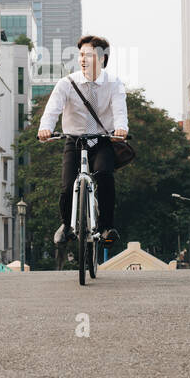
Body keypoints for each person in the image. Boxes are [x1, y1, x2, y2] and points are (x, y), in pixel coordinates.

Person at [37, 34, 129, 247]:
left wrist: (122, 127)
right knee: (68, 186)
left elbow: (119, 110)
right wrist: (45, 129)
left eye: (89, 55)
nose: (83, 59)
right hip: (74, 140)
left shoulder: (114, 84)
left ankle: (106, 226)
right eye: (81, 55)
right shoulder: (67, 84)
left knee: (105, 175)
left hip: (102, 140)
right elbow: (52, 110)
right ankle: (66, 226)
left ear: (102, 58)